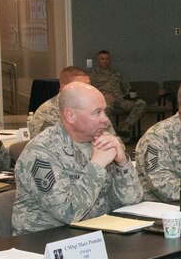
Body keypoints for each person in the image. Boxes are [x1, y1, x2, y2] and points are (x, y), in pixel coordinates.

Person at [12, 82, 142, 234]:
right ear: (71, 116)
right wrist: (97, 165)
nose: (105, 120)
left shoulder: (101, 141)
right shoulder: (40, 153)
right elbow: (68, 213)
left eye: (104, 112)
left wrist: (122, 163)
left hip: (95, 235)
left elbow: (132, 200)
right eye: (97, 112)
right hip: (47, 243)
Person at [89, 49, 146, 141]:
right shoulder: (93, 75)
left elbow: (127, 88)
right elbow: (89, 91)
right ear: (98, 60)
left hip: (120, 100)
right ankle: (115, 135)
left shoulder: (116, 73)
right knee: (105, 110)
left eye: (107, 59)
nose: (105, 61)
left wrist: (132, 95)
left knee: (141, 103)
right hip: (105, 101)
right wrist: (101, 96)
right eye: (102, 59)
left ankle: (125, 128)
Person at [28, 66, 96, 138]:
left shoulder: (93, 107)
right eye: (81, 87)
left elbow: (106, 133)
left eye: (89, 86)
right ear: (64, 88)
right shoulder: (47, 114)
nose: (88, 91)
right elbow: (50, 146)